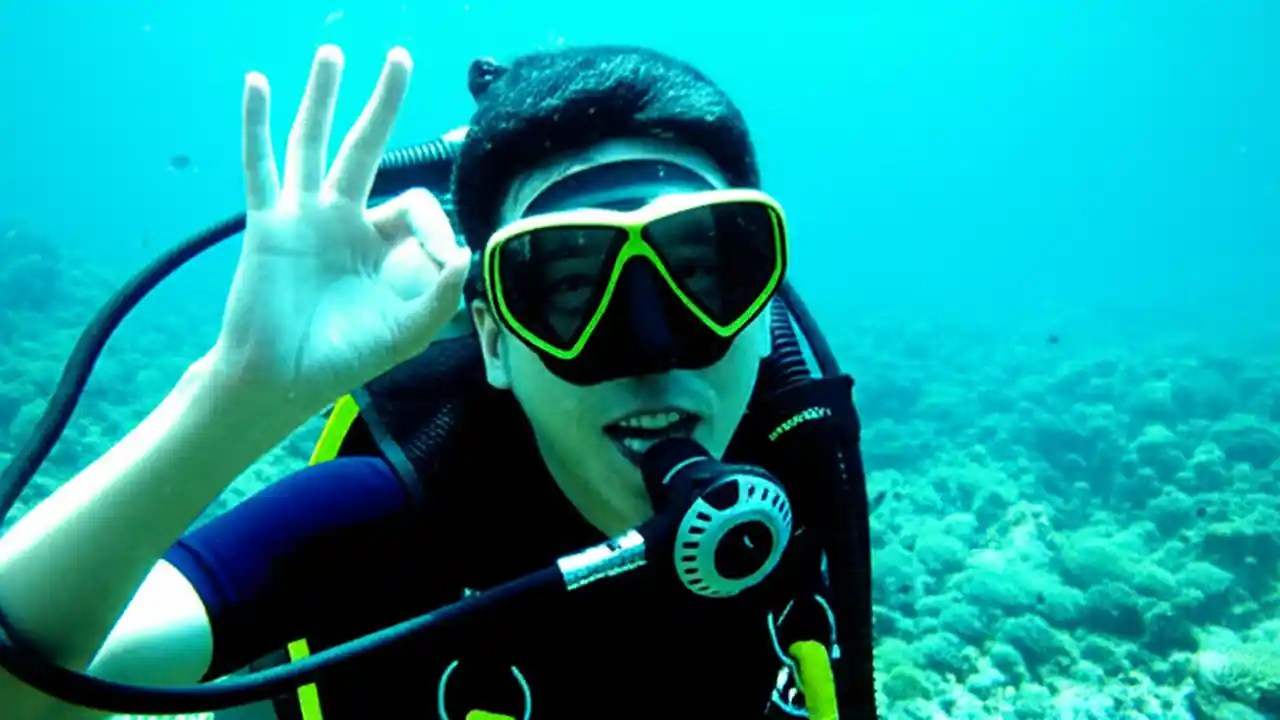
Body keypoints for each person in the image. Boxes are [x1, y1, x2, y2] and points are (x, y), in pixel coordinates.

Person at [0, 42, 868, 719]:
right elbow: (22, 696)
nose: (651, 349)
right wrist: (235, 397)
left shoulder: (807, 470)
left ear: (764, 306)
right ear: (492, 338)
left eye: (707, 275)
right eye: (569, 287)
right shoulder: (387, 520)